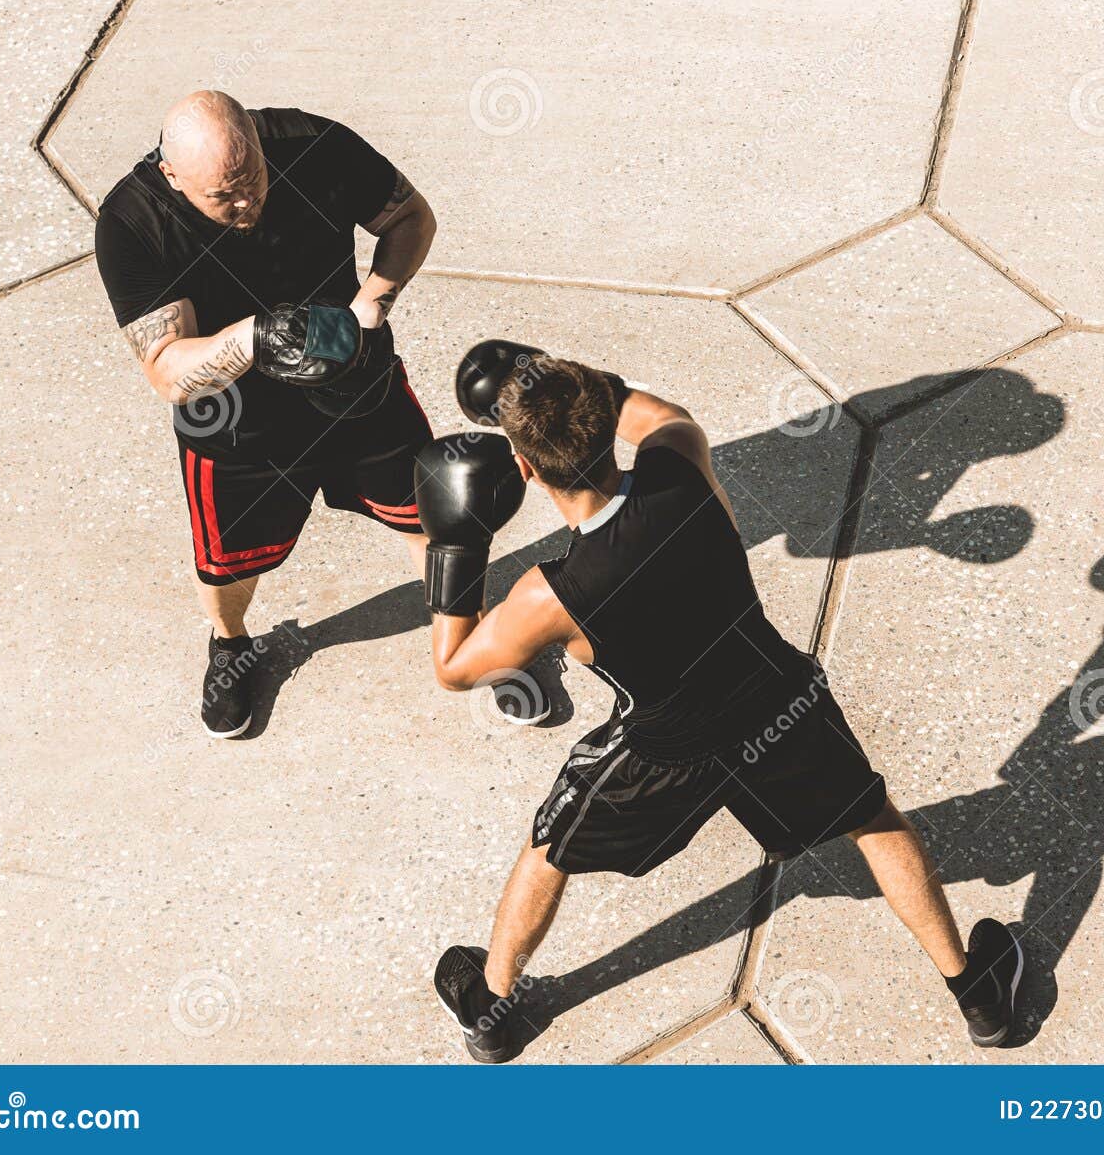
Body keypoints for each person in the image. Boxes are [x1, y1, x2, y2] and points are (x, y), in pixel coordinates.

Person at [417, 340, 1023, 1062]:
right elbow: (659, 413)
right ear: (604, 421)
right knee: (873, 820)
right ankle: (978, 995)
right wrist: (557, 378)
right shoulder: (681, 462)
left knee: (551, 845)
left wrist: (454, 540)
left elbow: (454, 667)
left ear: (520, 466)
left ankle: (491, 1010)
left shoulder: (547, 596)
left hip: (664, 747)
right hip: (776, 701)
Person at [94, 90, 438, 737]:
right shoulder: (132, 221)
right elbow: (166, 369)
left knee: (439, 510)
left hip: (354, 383)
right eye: (225, 196)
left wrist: (365, 316)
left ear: (254, 135)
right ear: (173, 178)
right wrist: (255, 337)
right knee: (229, 564)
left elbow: (413, 218)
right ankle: (229, 645)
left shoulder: (315, 143)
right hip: (236, 426)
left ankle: (468, 626)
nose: (248, 201)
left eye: (253, 178)